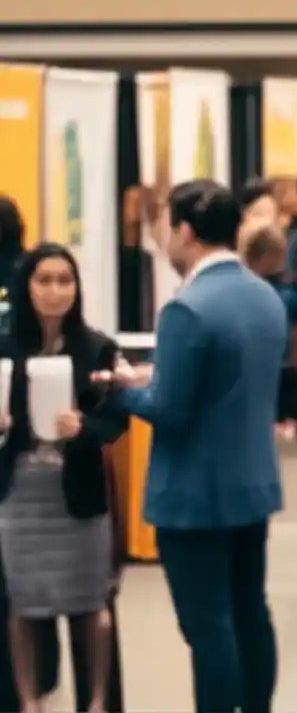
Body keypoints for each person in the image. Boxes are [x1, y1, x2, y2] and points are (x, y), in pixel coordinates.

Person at [100, 180, 288, 713]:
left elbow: (169, 410)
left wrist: (121, 390)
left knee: (208, 629)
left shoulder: (187, 308)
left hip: (194, 495)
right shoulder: (264, 295)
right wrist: (154, 380)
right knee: (251, 612)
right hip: (250, 484)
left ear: (184, 229)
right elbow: (225, 382)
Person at [0, 245, 128, 713]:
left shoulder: (95, 347)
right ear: (26, 287)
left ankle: (95, 702)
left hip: (77, 494)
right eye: (44, 280)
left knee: (91, 602)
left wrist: (85, 429)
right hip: (20, 494)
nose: (55, 291)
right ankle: (29, 700)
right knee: (24, 603)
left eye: (65, 281)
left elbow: (116, 420)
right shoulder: (4, 345)